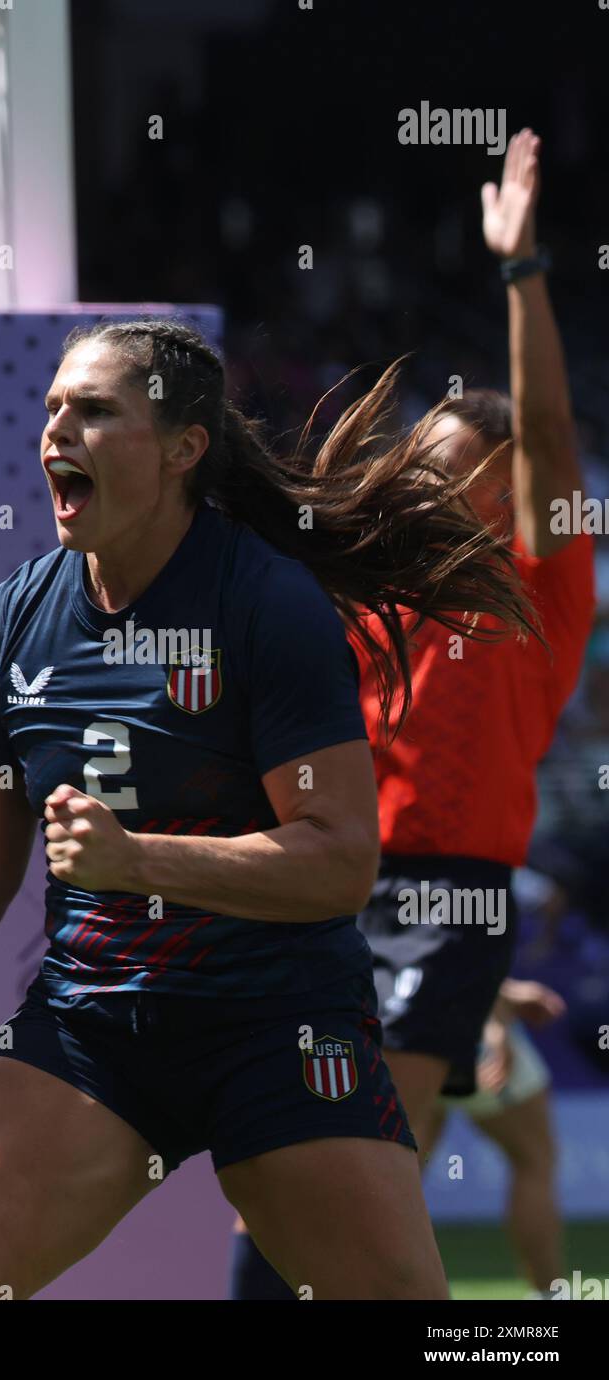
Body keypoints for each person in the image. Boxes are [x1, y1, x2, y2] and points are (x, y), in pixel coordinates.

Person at [0, 314, 532, 1301]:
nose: (58, 431)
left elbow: (339, 860)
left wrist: (137, 860)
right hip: (93, 1027)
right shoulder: (11, 622)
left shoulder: (268, 602)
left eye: (95, 411)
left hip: (281, 1028)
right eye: (53, 408)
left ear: (183, 449)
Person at [230, 130, 595, 1298]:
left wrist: (520, 271)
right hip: (327, 883)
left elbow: (549, 440)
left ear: (503, 488)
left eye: (452, 466)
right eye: (417, 459)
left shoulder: (539, 587)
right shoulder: (362, 600)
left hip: (446, 901)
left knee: (360, 1167)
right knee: (292, 1170)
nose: (423, 478)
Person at [430, 978, 567, 1299]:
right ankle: (549, 1294)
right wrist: (498, 1013)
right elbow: (455, 958)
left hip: (398, 1035)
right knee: (534, 1161)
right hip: (469, 1025)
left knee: (396, 1173)